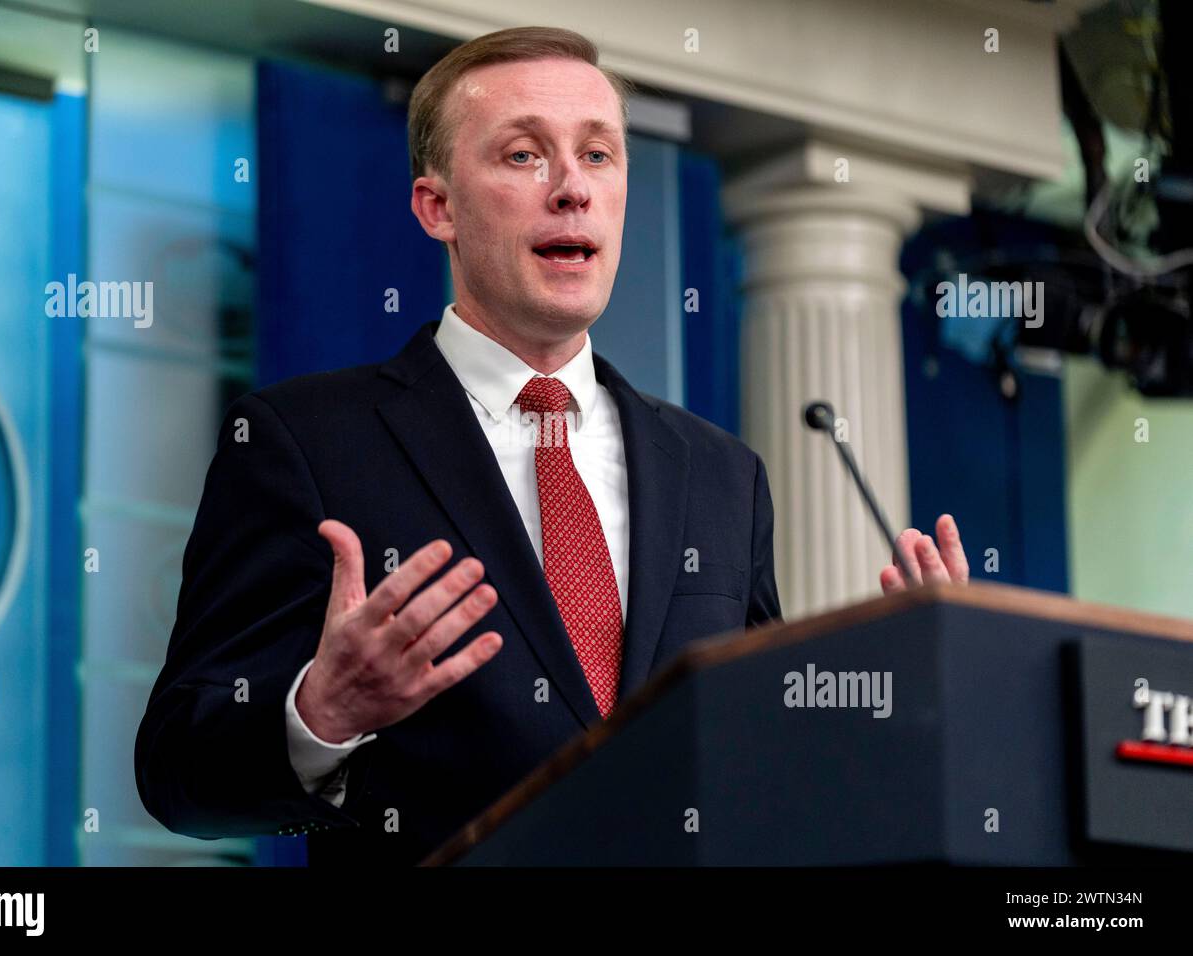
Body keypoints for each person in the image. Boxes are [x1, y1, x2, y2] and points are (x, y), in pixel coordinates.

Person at [134, 25, 968, 867]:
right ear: (438, 207)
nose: (571, 188)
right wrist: (323, 713)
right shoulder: (306, 441)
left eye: (599, 156)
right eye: (525, 155)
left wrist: (893, 690)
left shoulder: (721, 475)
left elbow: (759, 772)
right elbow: (176, 769)